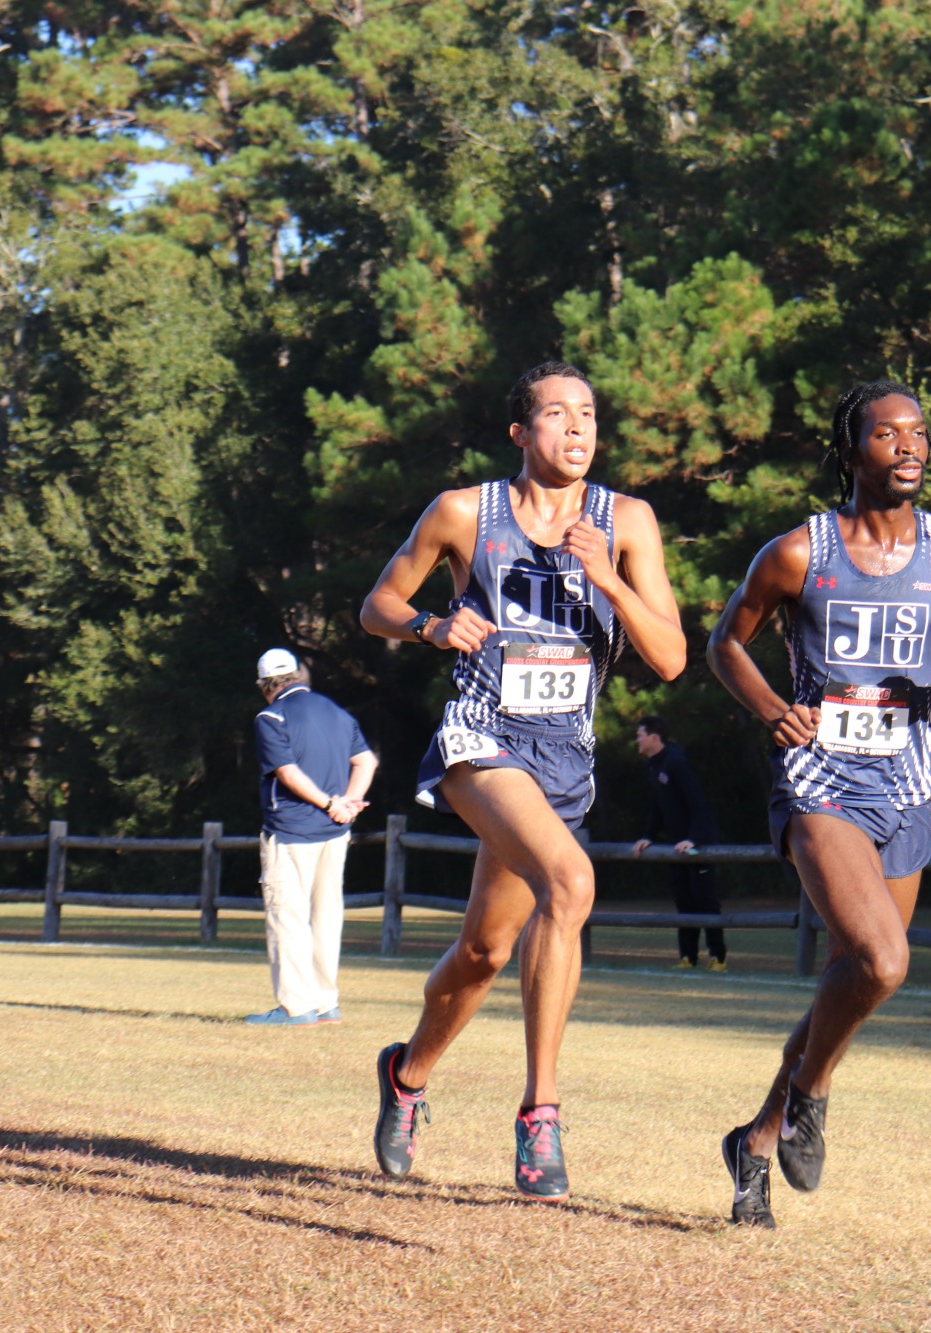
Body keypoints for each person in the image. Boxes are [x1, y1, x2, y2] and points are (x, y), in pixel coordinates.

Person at [358, 360, 686, 1201]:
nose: (576, 429)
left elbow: (672, 657)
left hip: (564, 762)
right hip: (480, 741)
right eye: (555, 414)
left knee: (483, 951)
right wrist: (434, 623)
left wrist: (606, 574)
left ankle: (407, 1072)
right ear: (519, 432)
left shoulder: (629, 521)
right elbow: (378, 605)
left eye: (588, 414)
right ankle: (541, 1112)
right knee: (571, 883)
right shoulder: (466, 513)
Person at [706, 379, 931, 1228]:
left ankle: (759, 1136)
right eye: (888, 434)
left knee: (851, 974)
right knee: (881, 960)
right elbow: (724, 642)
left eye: (918, 433)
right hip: (820, 781)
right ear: (851, 452)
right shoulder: (800, 552)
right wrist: (773, 710)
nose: (910, 447)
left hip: (908, 788)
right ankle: (811, 1094)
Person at [246, 648, 378, 1027]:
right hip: (335, 833)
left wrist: (329, 802)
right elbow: (367, 762)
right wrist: (347, 804)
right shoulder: (337, 713)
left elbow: (287, 773)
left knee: (288, 916)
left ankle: (296, 1007)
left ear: (265, 686)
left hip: (291, 831)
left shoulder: (271, 717)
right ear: (296, 677)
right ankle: (325, 1003)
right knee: (326, 917)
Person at [630, 716, 727, 970]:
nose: (637, 740)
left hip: (698, 844)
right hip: (675, 846)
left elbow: (699, 804)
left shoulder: (676, 762)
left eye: (640, 735)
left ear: (653, 737)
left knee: (704, 900)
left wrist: (693, 838)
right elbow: (658, 807)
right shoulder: (652, 766)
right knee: (684, 901)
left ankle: (718, 957)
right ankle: (688, 957)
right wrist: (648, 836)